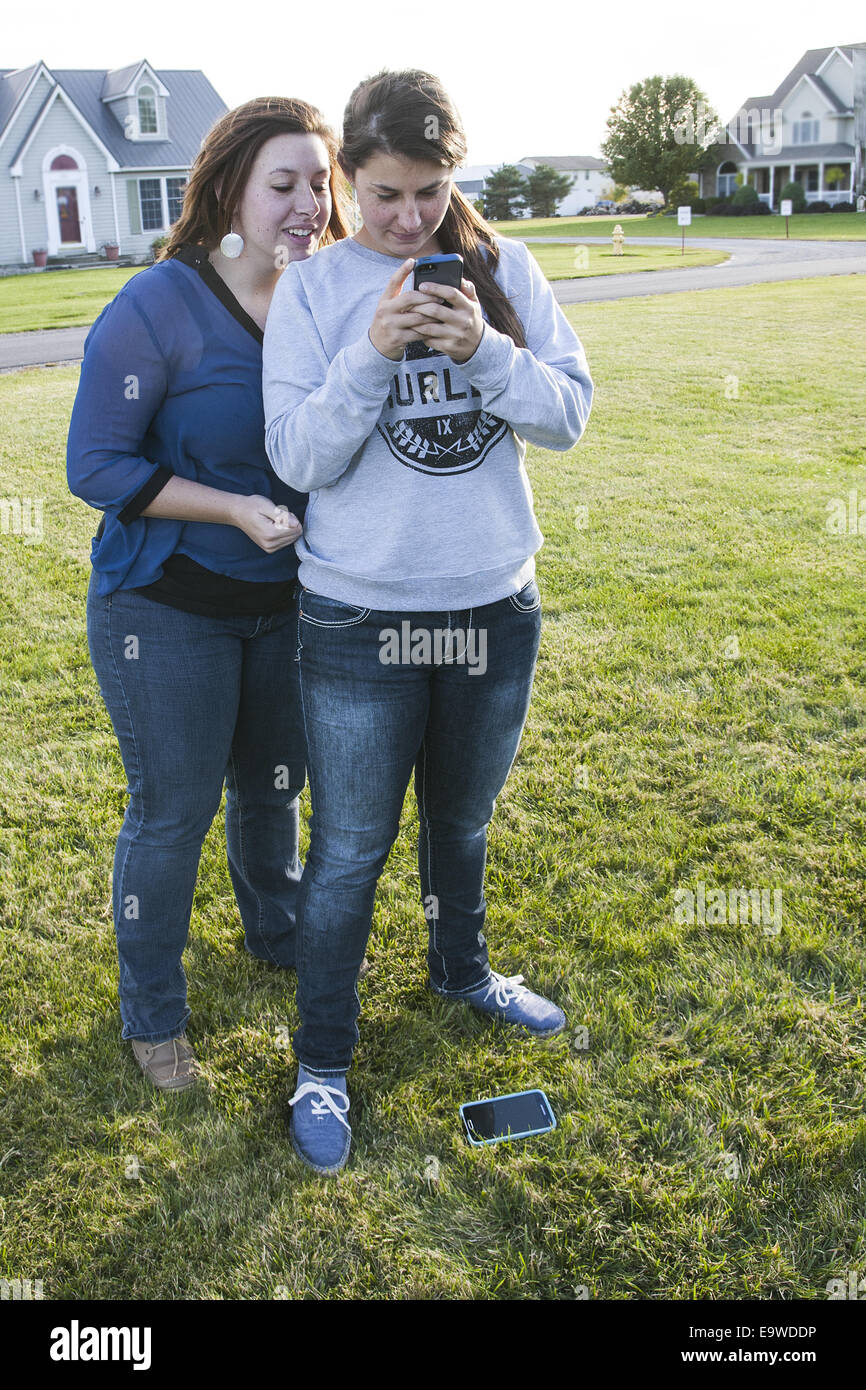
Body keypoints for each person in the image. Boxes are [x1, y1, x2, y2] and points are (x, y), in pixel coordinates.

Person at [262, 69, 593, 1173]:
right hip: (361, 621)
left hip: (492, 607)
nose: (411, 219)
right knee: (351, 850)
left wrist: (483, 354)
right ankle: (322, 1061)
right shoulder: (310, 293)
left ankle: (460, 968)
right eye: (388, 194)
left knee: (462, 821)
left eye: (431, 192)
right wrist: (371, 355)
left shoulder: (499, 266)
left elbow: (569, 415)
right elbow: (297, 458)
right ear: (349, 178)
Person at [67, 97, 349, 1090]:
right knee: (171, 814)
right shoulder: (157, 306)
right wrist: (231, 509)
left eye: (320, 180)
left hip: (286, 605)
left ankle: (275, 935)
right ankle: (153, 1017)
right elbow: (95, 466)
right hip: (166, 606)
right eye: (284, 184)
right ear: (229, 187)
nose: (309, 203)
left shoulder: (324, 299)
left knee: (274, 790)